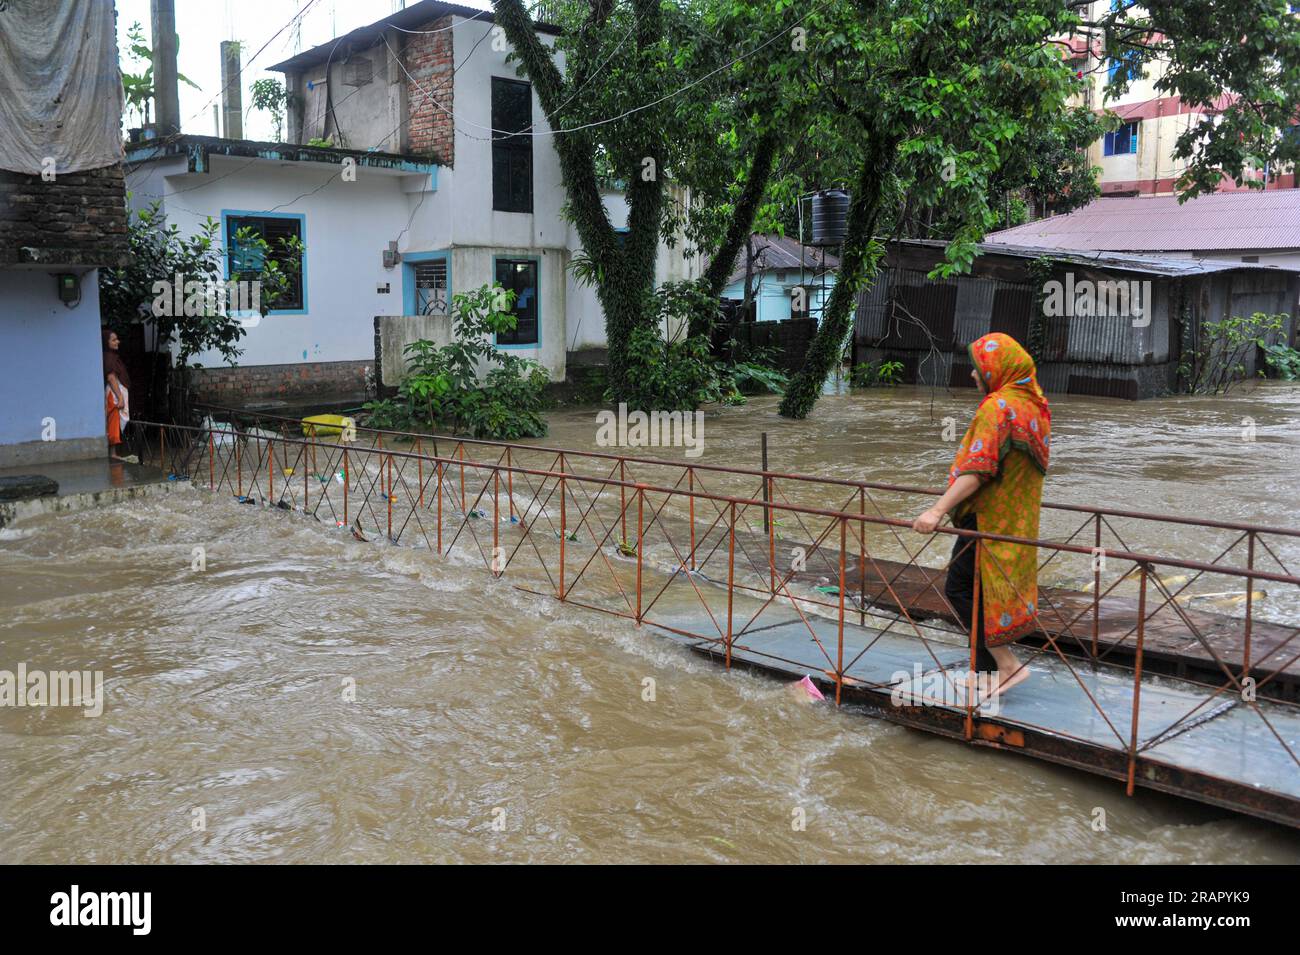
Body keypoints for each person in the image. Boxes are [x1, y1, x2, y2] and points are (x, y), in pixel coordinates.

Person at [910, 332, 1051, 697]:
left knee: (958, 588)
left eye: (978, 369)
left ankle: (1007, 666)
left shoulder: (998, 407)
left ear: (998, 369)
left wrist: (937, 510)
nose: (973, 375)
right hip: (1015, 521)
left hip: (986, 519)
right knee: (981, 591)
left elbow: (978, 469)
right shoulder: (1034, 407)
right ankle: (985, 673)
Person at [102, 329, 132, 460]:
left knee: (117, 421)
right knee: (114, 421)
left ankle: (114, 452)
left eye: (117, 339)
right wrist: (120, 397)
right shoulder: (108, 357)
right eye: (113, 340)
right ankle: (112, 453)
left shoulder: (112, 356)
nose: (117, 341)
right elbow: (111, 377)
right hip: (114, 394)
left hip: (117, 392)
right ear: (106, 342)